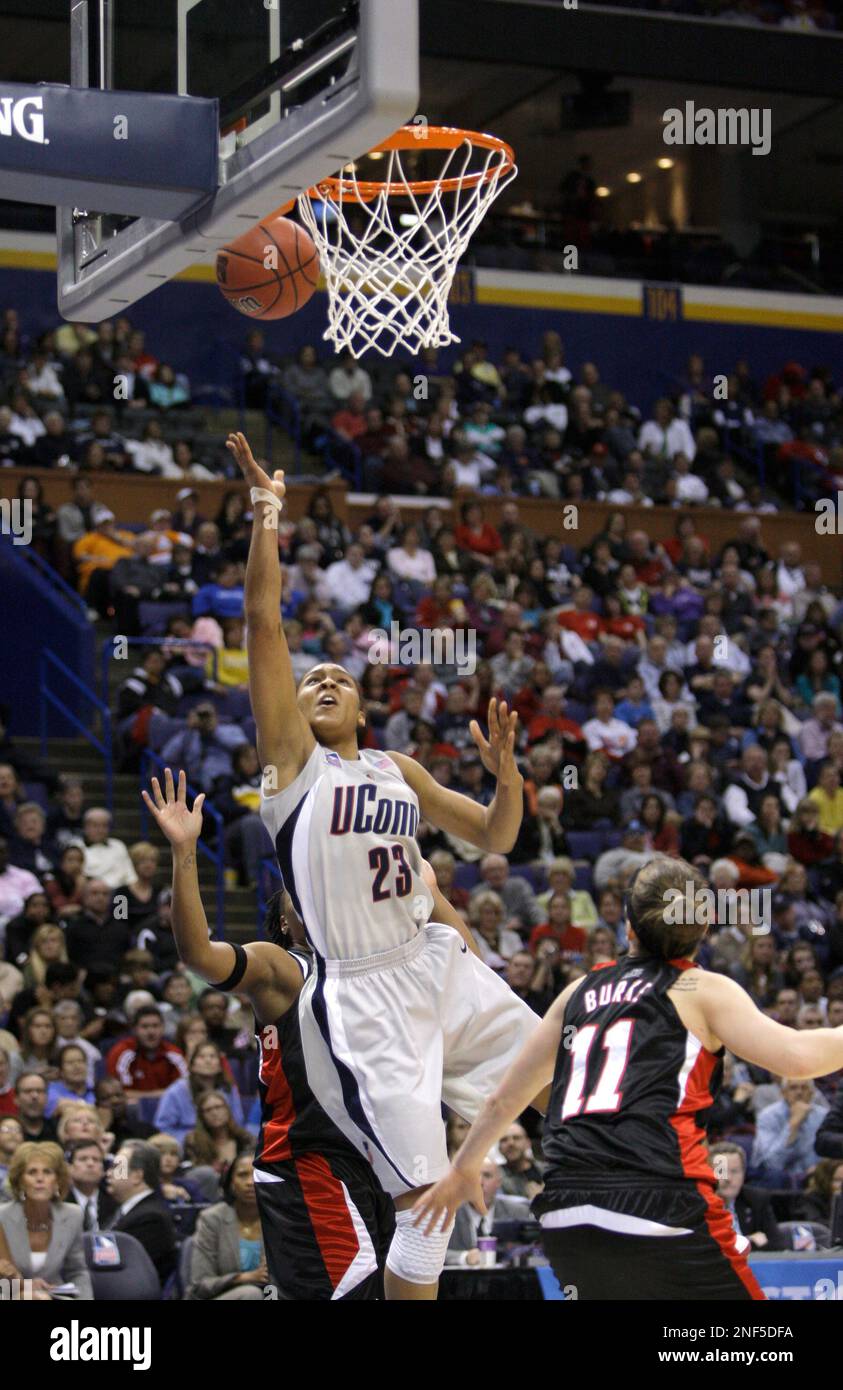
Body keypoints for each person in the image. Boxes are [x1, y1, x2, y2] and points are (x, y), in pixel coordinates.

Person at [224, 433, 542, 1300]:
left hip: (435, 964)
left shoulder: (394, 768)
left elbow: (496, 837)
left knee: (566, 1066)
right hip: (360, 997)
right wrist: (266, 514)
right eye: (310, 678)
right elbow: (263, 622)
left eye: (339, 677)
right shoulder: (291, 768)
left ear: (364, 702)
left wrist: (509, 779)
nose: (323, 680)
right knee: (426, 1207)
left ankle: (632, 1216)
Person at [414, 853, 843, 1301]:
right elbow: (796, 1058)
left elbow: (502, 1101)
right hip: (659, 1201)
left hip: (566, 1212)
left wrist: (464, 1168)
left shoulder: (577, 993)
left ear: (629, 927)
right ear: (702, 931)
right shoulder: (701, 989)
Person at [142, 767, 395, 1300]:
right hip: (308, 1161)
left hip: (375, 1163)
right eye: (300, 891)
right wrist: (184, 852)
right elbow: (199, 955)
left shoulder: (374, 970)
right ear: (285, 921)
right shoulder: (281, 967)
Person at [0, 1141, 93, 1298]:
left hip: (55, 1295)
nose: (40, 1179)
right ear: (20, 1181)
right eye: (32, 1172)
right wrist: (28, 1288)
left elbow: (77, 1271)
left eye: (47, 1172)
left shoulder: (73, 1215)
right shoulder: (2, 1216)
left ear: (57, 1180)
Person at [186, 1152, 267, 1300]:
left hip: (268, 1296)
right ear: (230, 1182)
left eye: (258, 1175)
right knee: (251, 1294)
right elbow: (200, 1285)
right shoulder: (212, 1219)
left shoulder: (277, 1220)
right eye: (242, 1175)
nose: (250, 1182)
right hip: (218, 1296)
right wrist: (243, 1278)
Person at [105, 1139, 178, 1285]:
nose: (108, 1173)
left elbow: (119, 1269)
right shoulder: (123, 1211)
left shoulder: (151, 1219)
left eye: (117, 1167)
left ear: (136, 1176)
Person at [444, 1157, 531, 1267]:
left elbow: (531, 1250)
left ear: (499, 1182)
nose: (480, 1182)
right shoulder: (448, 1213)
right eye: (474, 1176)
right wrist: (465, 1257)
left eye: (487, 1176)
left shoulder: (518, 1212)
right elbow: (434, 1253)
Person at [708, 1141, 784, 1250]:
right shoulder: (698, 1203)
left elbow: (778, 1246)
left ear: (743, 1173)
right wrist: (747, 1242)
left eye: (734, 1171)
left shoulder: (757, 1199)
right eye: (721, 1171)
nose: (728, 1178)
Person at [105, 1006, 189, 1098]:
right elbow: (118, 1095)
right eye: (145, 1027)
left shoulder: (174, 1053)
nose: (151, 1032)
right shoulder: (122, 1052)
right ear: (134, 1029)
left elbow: (185, 1090)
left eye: (155, 1026)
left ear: (163, 1028)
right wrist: (162, 1094)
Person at [64, 1137, 118, 1232]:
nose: (90, 1164)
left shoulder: (115, 1203)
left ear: (103, 1169)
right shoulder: (60, 1202)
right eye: (83, 1159)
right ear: (69, 1168)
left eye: (96, 1160)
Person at [497, 1121, 544, 1198]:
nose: (511, 1143)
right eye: (504, 1140)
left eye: (516, 1138)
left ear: (528, 1143)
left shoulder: (547, 1170)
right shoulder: (495, 1177)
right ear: (499, 1148)